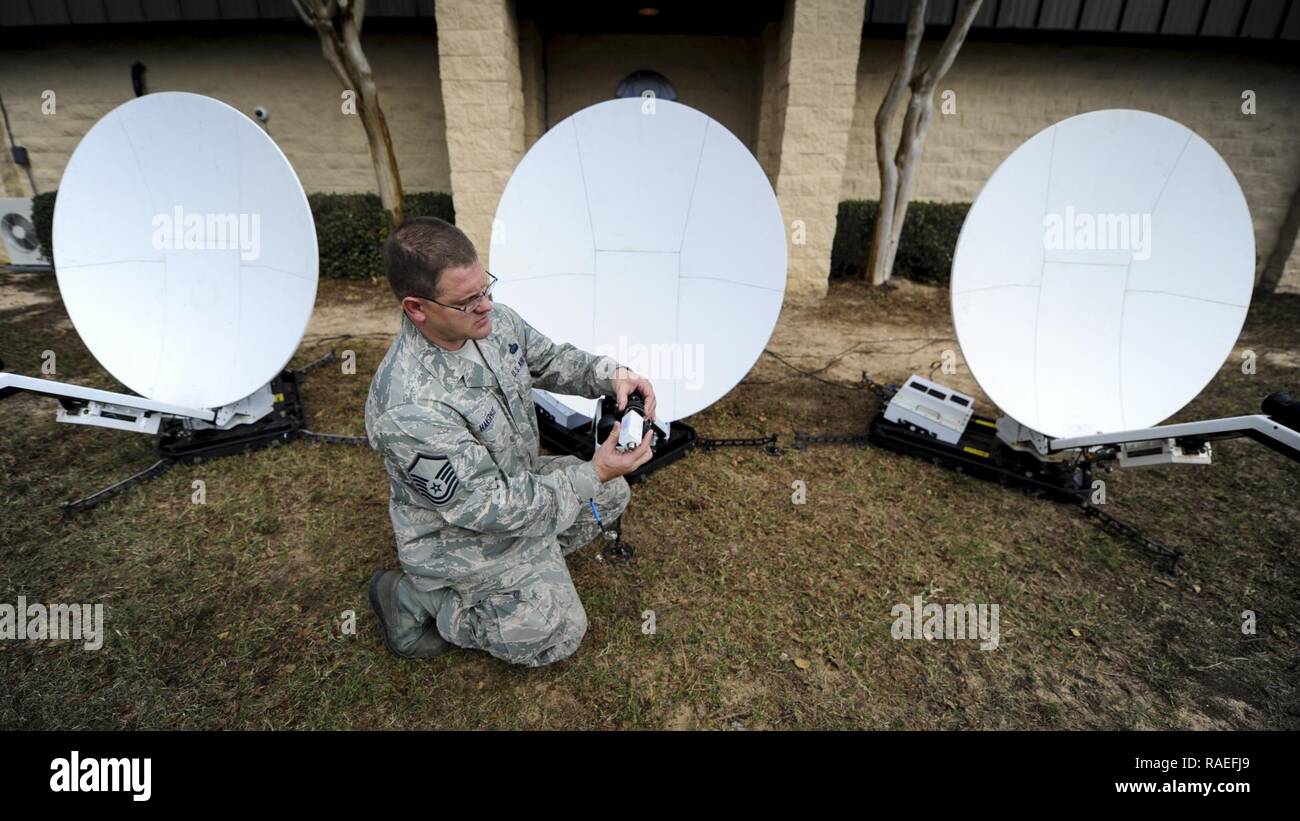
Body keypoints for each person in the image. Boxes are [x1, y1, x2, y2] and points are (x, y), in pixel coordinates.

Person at [364, 216, 657, 667]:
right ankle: (420, 600)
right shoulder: (409, 407)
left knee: (610, 493)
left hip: (517, 483)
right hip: (459, 534)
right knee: (557, 630)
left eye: (486, 288)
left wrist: (613, 376)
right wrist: (592, 471)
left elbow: (551, 359)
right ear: (417, 308)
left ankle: (526, 573)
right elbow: (487, 507)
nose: (487, 305)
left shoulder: (489, 321)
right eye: (468, 301)